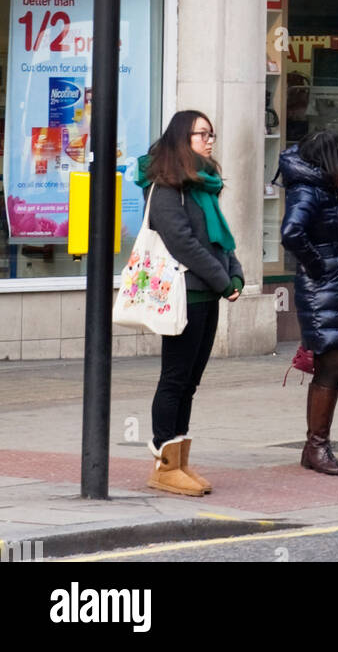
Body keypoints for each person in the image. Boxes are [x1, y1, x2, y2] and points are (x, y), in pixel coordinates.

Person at [138, 110, 243, 496]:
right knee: (175, 378)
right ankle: (164, 462)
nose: (210, 140)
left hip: (206, 295)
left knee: (191, 382)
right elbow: (183, 242)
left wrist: (235, 275)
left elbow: (221, 240)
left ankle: (178, 461)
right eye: (202, 134)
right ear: (183, 137)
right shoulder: (166, 185)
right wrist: (221, 278)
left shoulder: (202, 185)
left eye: (212, 134)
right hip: (182, 294)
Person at [278, 129, 338, 476]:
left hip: (334, 289)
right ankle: (316, 446)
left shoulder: (324, 189)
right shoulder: (309, 190)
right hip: (324, 291)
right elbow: (292, 232)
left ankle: (317, 446)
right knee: (331, 364)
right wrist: (319, 268)